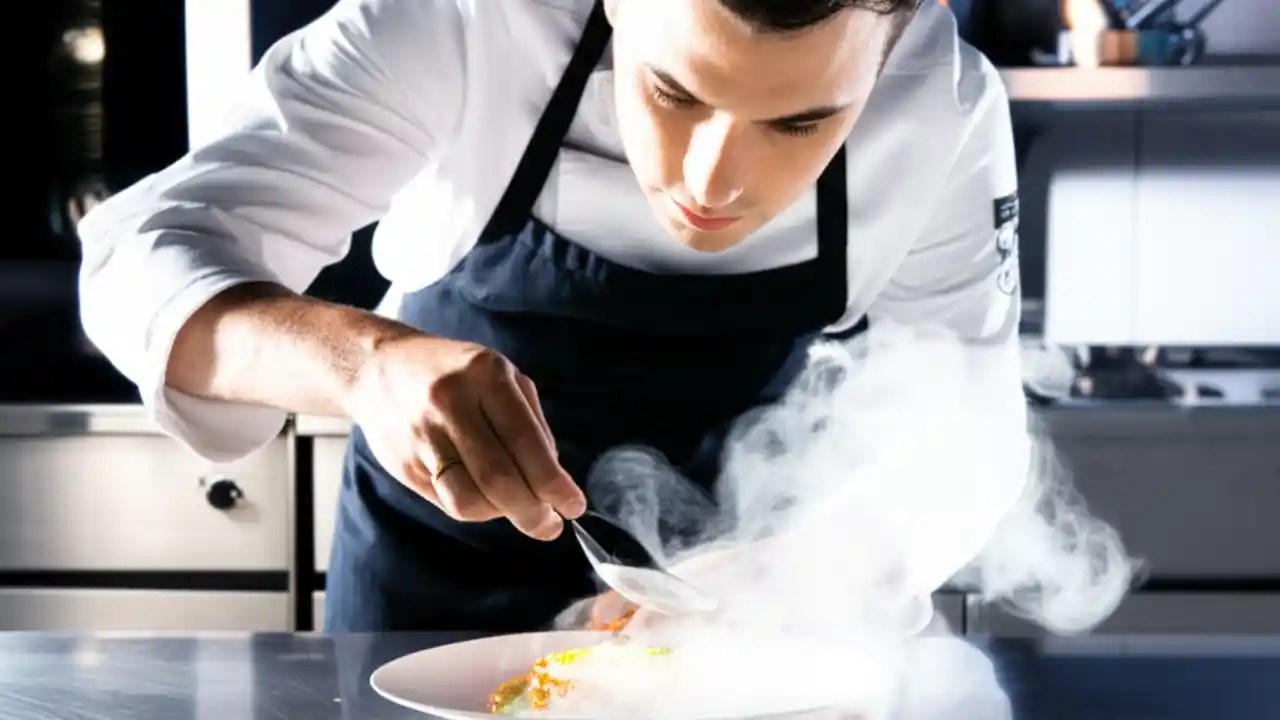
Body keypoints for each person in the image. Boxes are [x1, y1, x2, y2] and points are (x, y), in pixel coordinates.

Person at [77, 0, 1023, 632]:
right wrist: (362, 365)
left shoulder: (944, 108)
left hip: (730, 633)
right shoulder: (467, 20)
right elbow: (139, 254)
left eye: (800, 122)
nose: (711, 184)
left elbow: (966, 435)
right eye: (673, 91)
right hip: (421, 602)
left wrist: (811, 570)